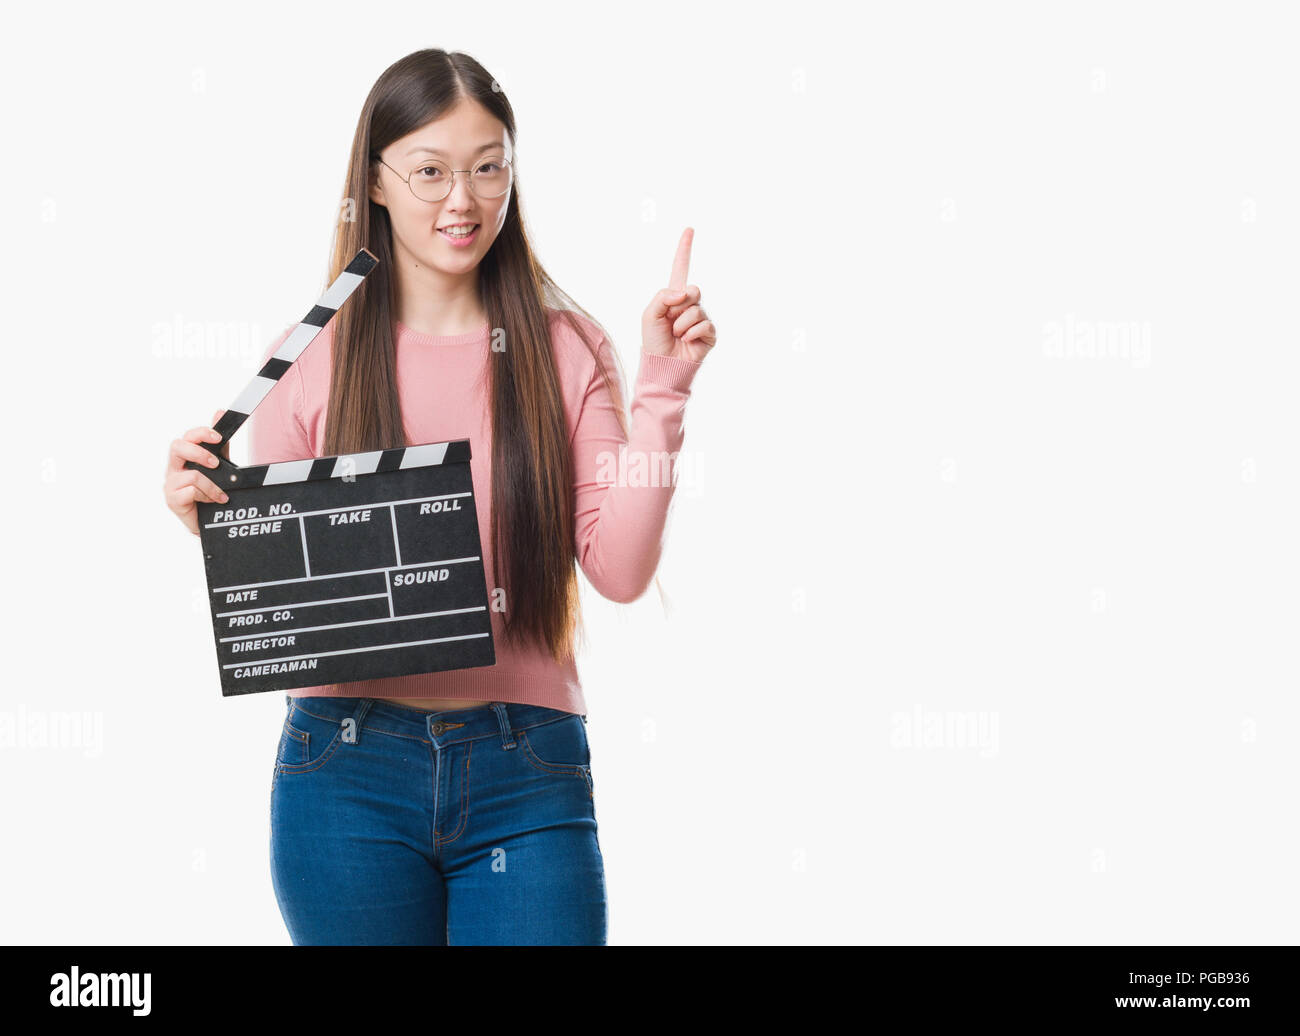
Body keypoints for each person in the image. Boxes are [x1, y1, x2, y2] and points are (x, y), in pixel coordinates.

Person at [161, 48, 716, 945]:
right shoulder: (308, 361)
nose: (463, 200)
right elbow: (300, 628)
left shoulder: (568, 348)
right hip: (344, 771)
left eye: (488, 167)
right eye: (429, 172)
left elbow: (618, 570)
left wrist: (665, 387)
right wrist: (227, 533)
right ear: (375, 183)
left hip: (527, 767)